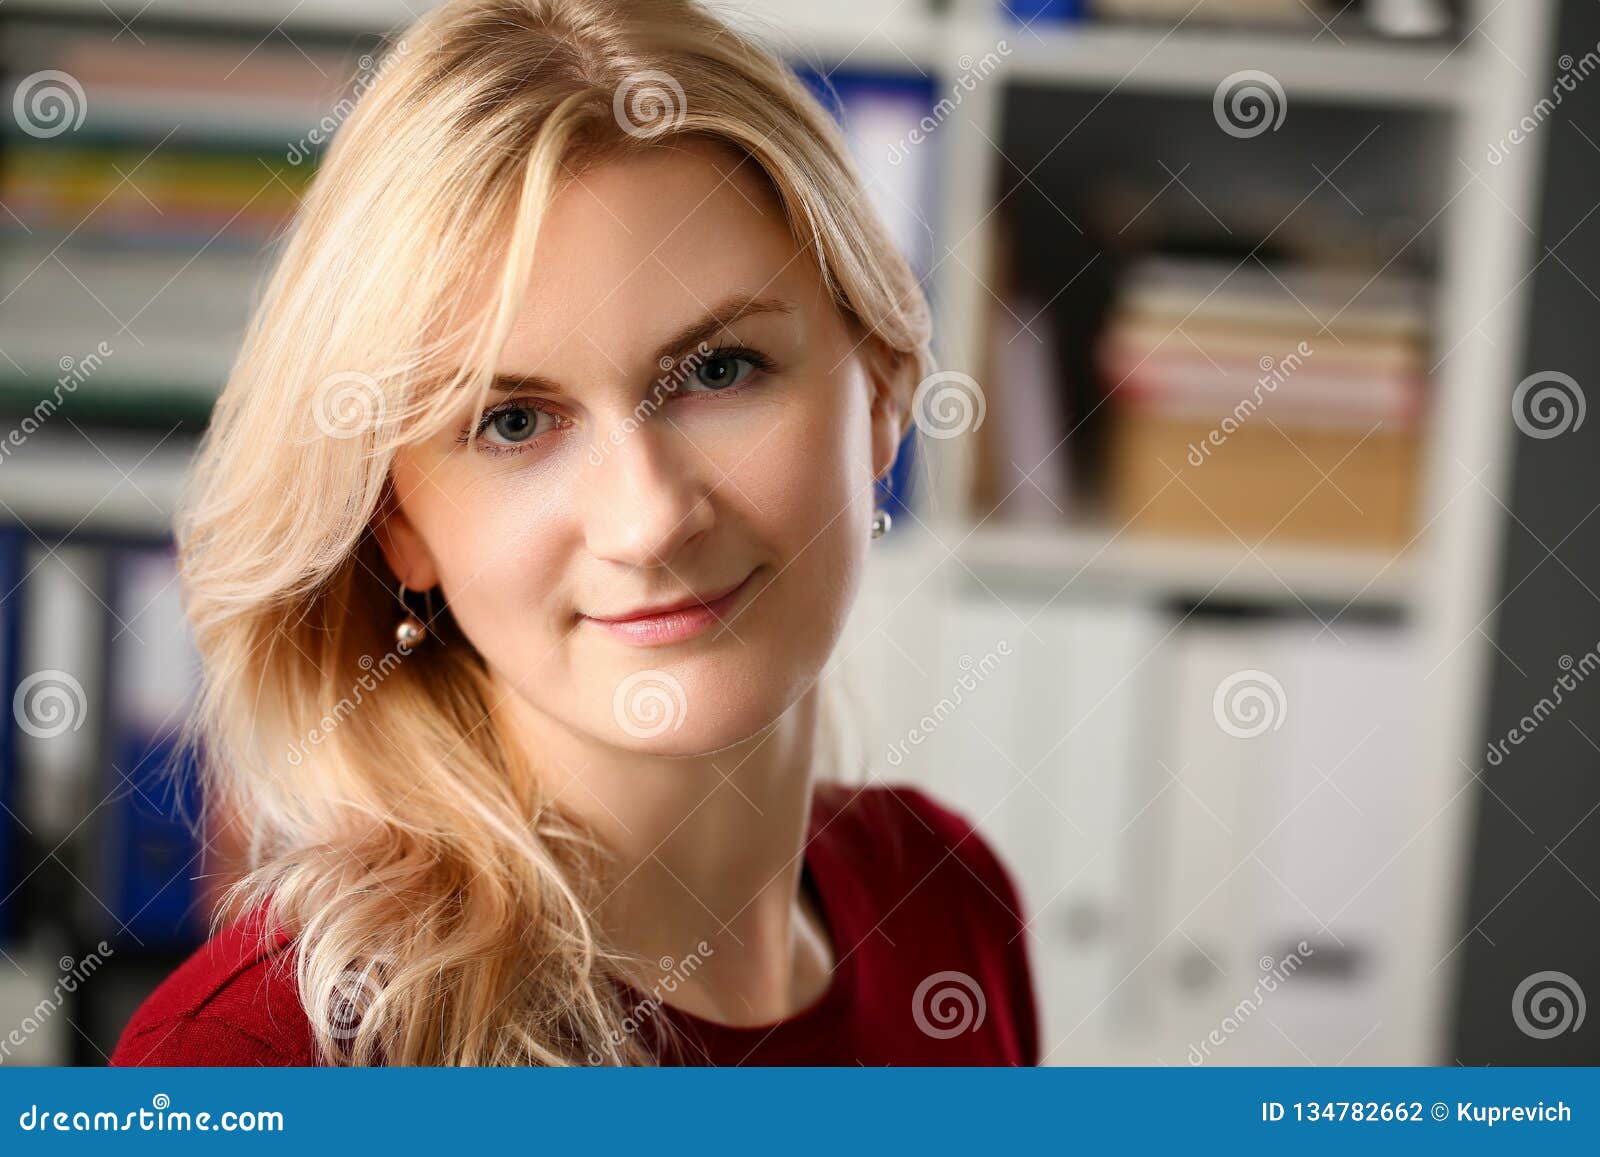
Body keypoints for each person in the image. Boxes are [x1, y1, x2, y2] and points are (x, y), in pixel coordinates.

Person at [110, 0, 1039, 1067]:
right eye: (512, 423)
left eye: (719, 369)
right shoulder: (258, 1057)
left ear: (880, 392)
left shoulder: (947, 896)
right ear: (398, 525)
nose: (649, 520)